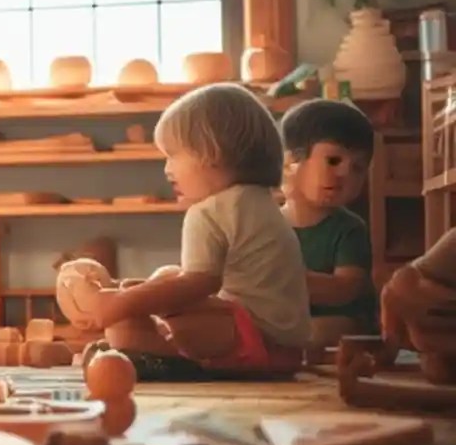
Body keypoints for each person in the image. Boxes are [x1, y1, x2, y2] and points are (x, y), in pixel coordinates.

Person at [60, 83, 311, 379]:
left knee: (124, 326)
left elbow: (198, 283)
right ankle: (145, 346)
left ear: (210, 154)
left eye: (173, 156)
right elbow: (202, 283)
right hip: (289, 347)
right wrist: (132, 289)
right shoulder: (261, 202)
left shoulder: (209, 212)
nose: (167, 170)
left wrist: (118, 303)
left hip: (258, 342)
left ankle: (147, 355)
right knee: (167, 276)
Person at [278, 99, 377, 360]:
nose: (346, 172)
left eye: (358, 167)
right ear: (289, 163)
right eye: (333, 160)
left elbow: (346, 289)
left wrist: (282, 280)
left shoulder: (349, 229)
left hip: (338, 319)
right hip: (281, 317)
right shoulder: (267, 226)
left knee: (322, 330)